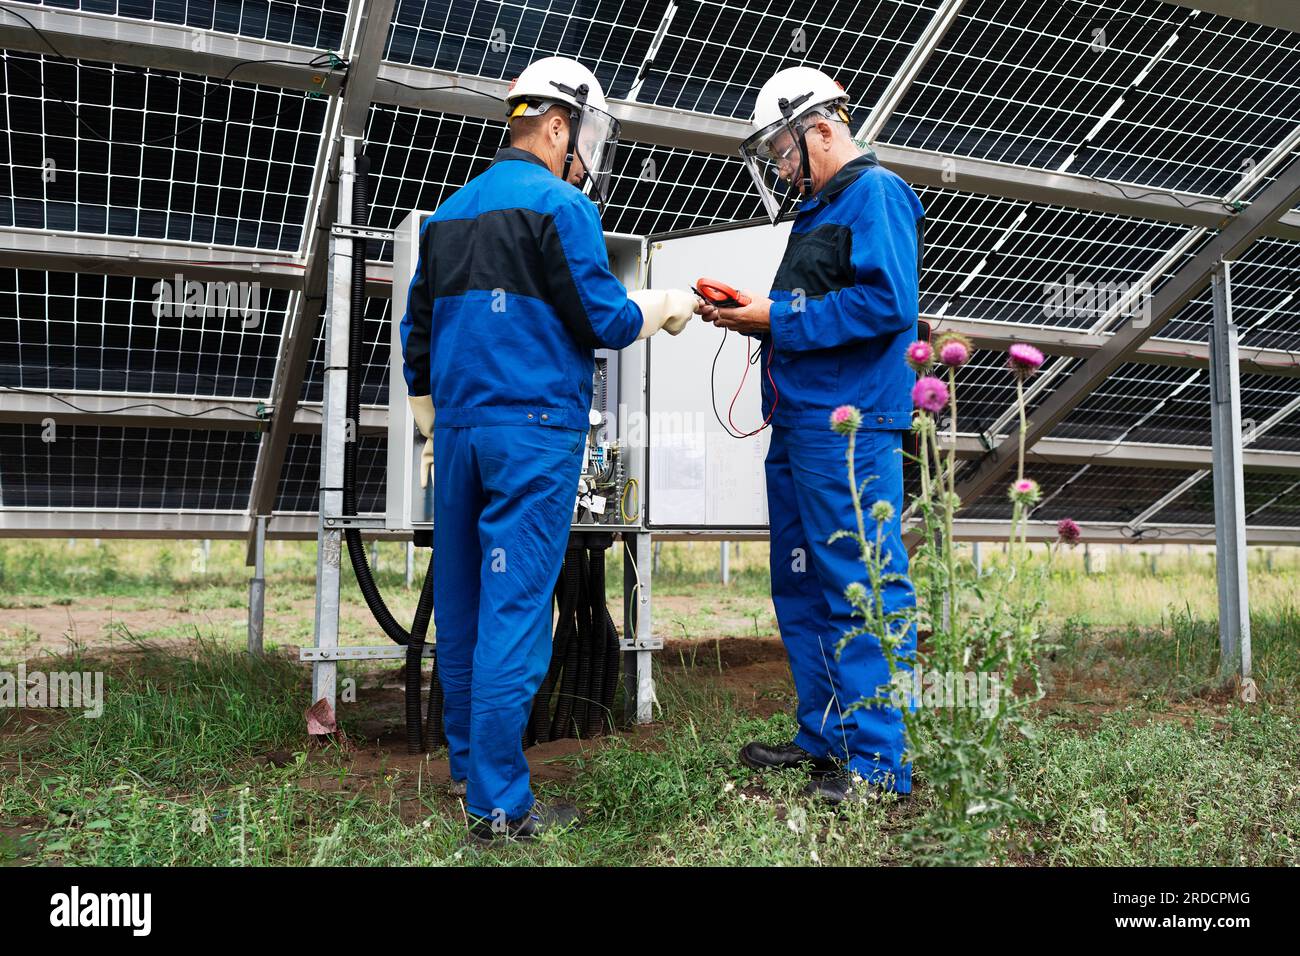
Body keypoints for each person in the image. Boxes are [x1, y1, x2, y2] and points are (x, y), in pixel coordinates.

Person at [400, 56, 698, 841]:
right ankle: (500, 809)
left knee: (462, 608)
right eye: (586, 134)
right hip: (531, 436)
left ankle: (471, 774)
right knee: (517, 614)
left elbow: (416, 340)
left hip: (459, 437)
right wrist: (665, 303)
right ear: (559, 125)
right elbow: (603, 320)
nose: (588, 151)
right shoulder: (560, 206)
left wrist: (435, 429)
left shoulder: (448, 215)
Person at [699, 67, 924, 803]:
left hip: (847, 428)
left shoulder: (876, 195)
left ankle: (881, 766)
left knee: (859, 586)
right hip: (799, 426)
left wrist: (773, 317)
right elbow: (813, 301)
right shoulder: (817, 209)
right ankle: (827, 739)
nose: (782, 167)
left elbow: (888, 304)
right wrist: (759, 311)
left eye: (785, 151)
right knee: (801, 582)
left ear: (823, 127)